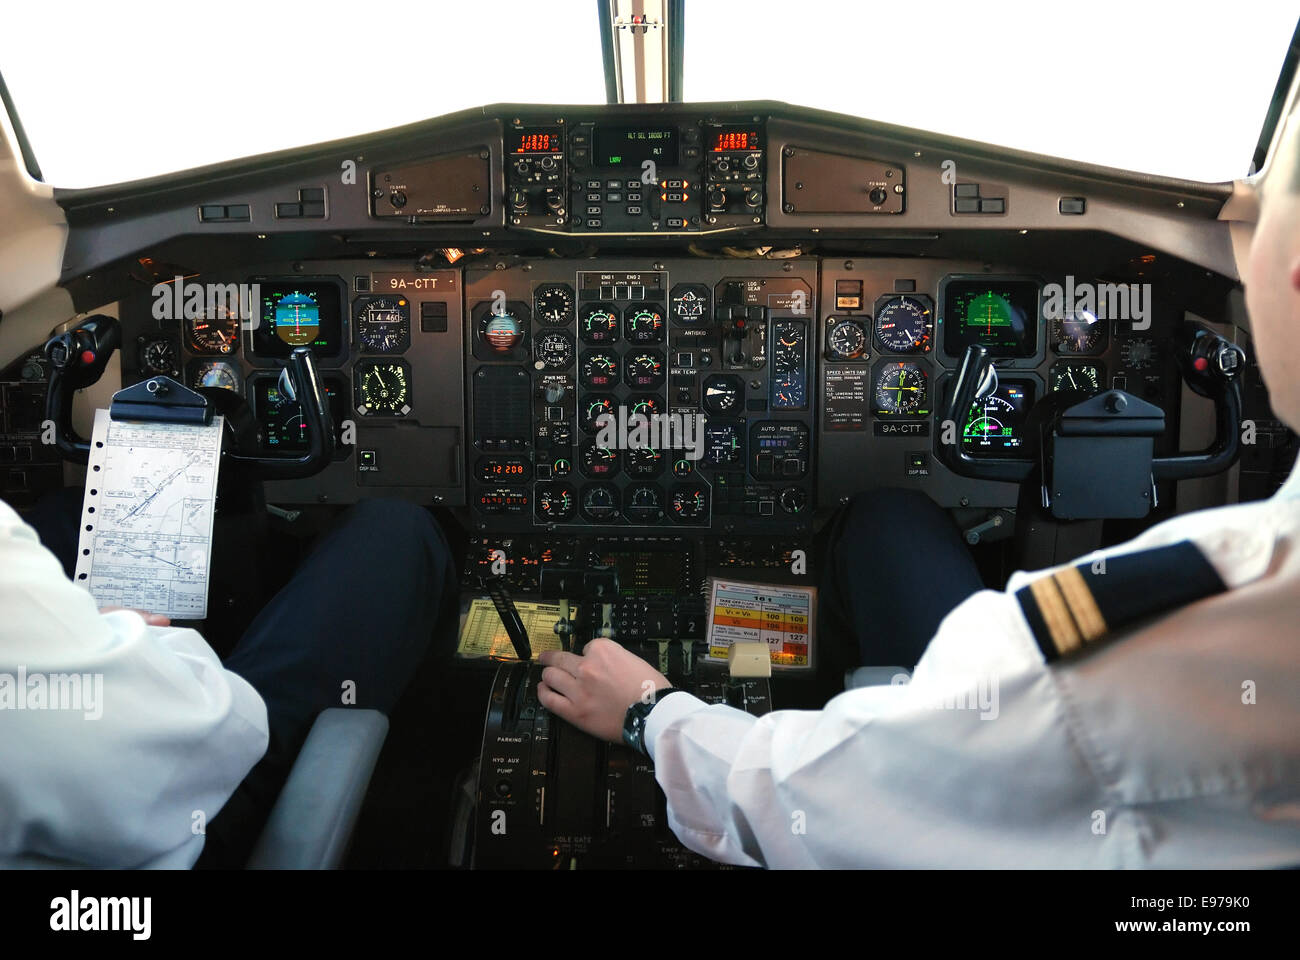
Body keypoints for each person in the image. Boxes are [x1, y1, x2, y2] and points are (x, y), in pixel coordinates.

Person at [536, 110, 1300, 868]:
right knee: (891, 515)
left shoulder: (1187, 621)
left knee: (885, 520)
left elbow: (845, 801)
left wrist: (652, 715)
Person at [0, 496, 454, 868]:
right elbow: (188, 728)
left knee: (67, 517)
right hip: (175, 824)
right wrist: (146, 640)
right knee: (395, 529)